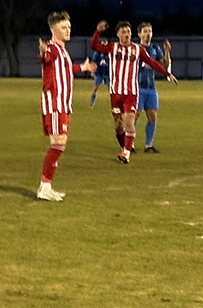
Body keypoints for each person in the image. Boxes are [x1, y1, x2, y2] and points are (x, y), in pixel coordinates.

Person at [90, 20, 176, 164]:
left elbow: (152, 63)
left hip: (131, 92)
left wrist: (167, 74)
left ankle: (127, 153)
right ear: (118, 34)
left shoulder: (137, 49)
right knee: (118, 126)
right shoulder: (112, 48)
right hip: (116, 92)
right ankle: (125, 146)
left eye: (128, 32)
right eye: (123, 32)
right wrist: (98, 31)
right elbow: (94, 46)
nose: (126, 35)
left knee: (129, 121)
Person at [36, 11, 97, 201]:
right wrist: (43, 52)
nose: (68, 30)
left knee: (59, 145)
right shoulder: (53, 49)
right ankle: (44, 187)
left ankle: (46, 186)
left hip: (63, 105)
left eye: (69, 27)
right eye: (64, 27)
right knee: (58, 144)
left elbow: (65, 68)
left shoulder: (62, 51)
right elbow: (46, 58)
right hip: (55, 104)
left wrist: (84, 68)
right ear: (54, 30)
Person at [134, 22, 171, 153]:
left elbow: (164, 66)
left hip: (151, 88)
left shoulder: (155, 49)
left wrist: (167, 52)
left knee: (152, 116)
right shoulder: (136, 49)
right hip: (137, 88)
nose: (148, 34)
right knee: (134, 116)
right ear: (139, 34)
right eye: (145, 31)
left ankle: (148, 145)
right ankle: (129, 145)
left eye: (150, 31)